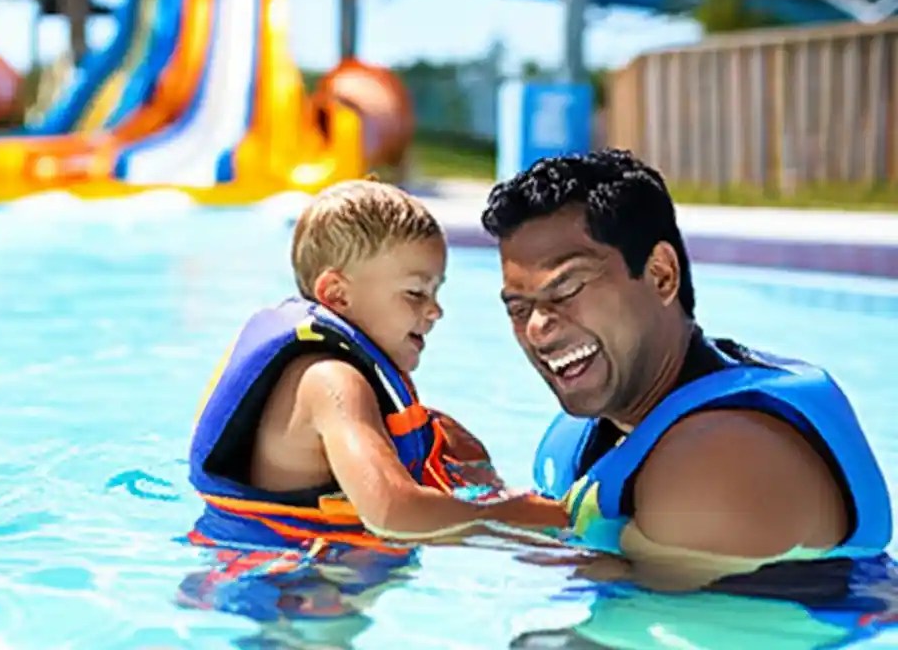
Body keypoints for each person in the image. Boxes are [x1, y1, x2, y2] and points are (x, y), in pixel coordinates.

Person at [479, 148, 894, 593]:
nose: (538, 329)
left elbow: (642, 625)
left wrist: (462, 524)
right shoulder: (606, 425)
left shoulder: (723, 455)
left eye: (568, 289)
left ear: (661, 275)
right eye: (520, 308)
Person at [185, 178, 568, 554]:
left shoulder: (333, 375)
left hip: (301, 561)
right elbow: (392, 512)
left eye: (436, 293)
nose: (435, 311)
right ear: (337, 294)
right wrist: (517, 513)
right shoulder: (332, 381)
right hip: (292, 586)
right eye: (416, 293)